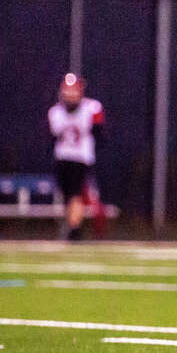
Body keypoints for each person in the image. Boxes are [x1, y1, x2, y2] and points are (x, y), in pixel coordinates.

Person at [47, 73, 104, 241]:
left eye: (73, 91)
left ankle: (74, 229)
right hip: (62, 157)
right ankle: (72, 226)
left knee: (75, 195)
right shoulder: (55, 112)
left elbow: (98, 133)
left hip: (80, 158)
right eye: (67, 91)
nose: (70, 95)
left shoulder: (91, 109)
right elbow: (53, 137)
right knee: (68, 196)